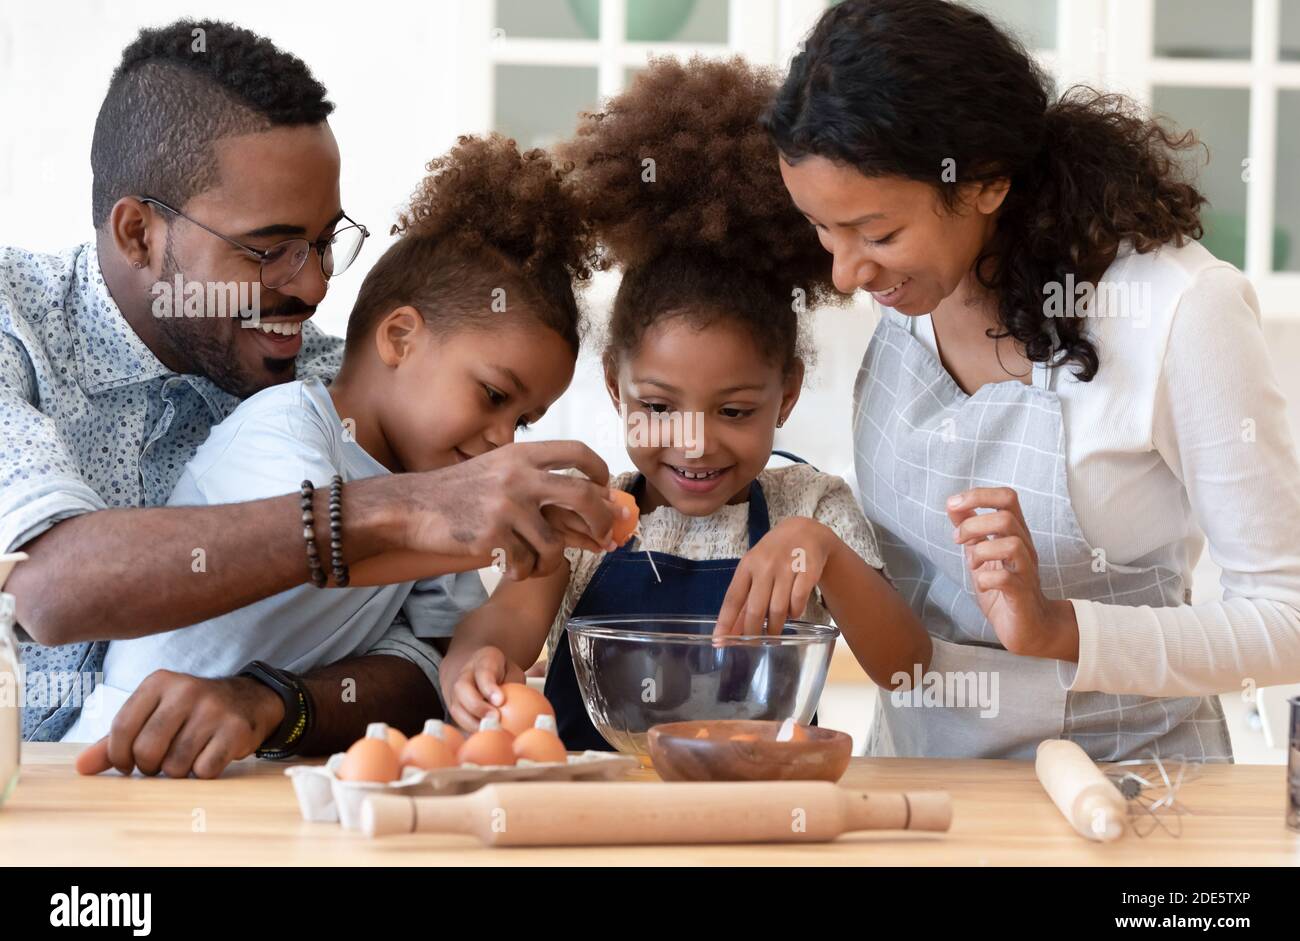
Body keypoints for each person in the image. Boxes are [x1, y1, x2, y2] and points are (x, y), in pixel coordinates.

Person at [0, 19, 615, 776]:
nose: (315, 286)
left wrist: (273, 703)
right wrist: (417, 507)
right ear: (137, 234)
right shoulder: (13, 325)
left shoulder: (336, 382)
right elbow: (49, 591)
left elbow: (420, 658)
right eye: (268, 249)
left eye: (324, 244)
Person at [765, 0, 1300, 760]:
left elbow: (1287, 619)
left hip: (1130, 796)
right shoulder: (913, 289)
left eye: (878, 233)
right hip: (921, 790)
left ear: (985, 183)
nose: (846, 272)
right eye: (823, 228)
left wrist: (1058, 627)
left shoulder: (1179, 309)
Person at [440, 58, 931, 750]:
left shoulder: (810, 511)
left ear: (785, 393)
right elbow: (504, 628)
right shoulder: (587, 514)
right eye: (660, 408)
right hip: (597, 820)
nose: (695, 443)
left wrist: (824, 554)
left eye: (734, 411)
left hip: (757, 821)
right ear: (615, 385)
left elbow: (906, 670)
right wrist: (475, 663)